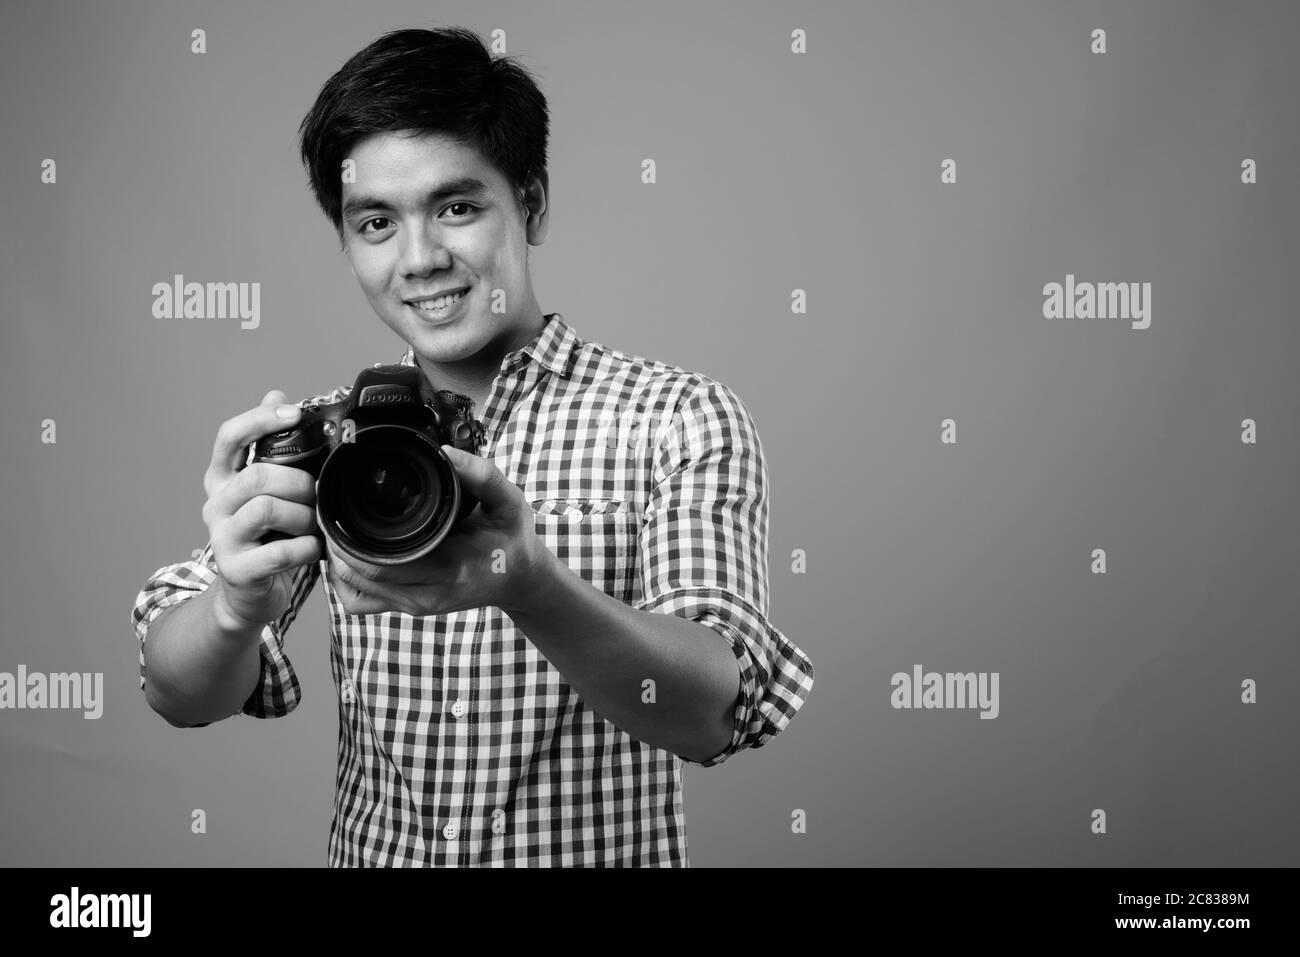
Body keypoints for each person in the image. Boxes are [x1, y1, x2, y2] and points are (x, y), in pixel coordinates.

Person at [131, 25, 814, 867]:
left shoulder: (675, 416)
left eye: (457, 207)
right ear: (345, 242)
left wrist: (531, 585)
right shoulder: (328, 441)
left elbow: (718, 710)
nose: (420, 259)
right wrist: (236, 608)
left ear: (531, 202)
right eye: (375, 221)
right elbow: (177, 692)